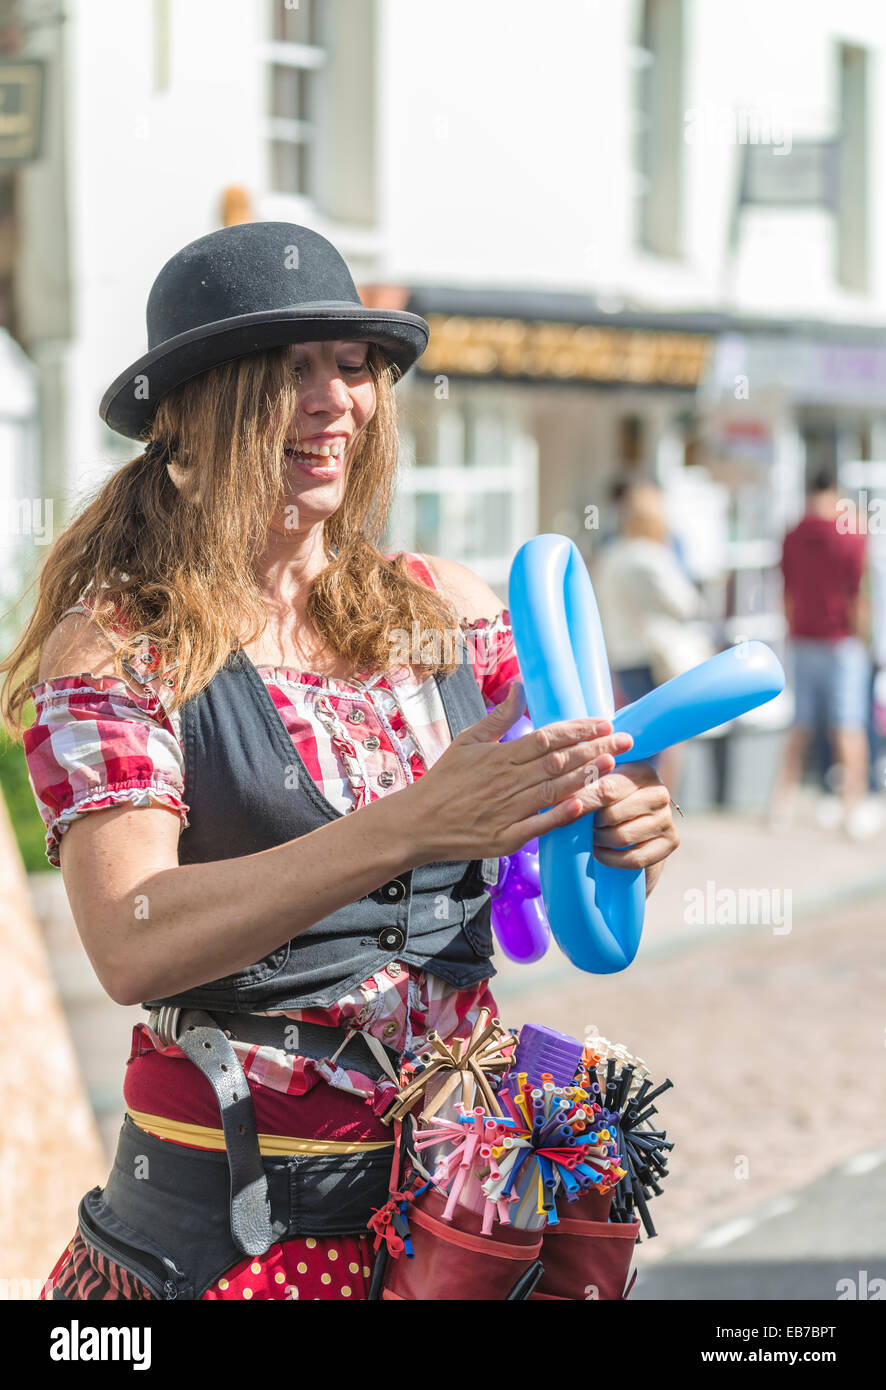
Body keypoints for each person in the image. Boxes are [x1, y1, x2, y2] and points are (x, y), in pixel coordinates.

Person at [0, 221, 680, 1302]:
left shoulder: (448, 607)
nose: (333, 401)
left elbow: (566, 836)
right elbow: (131, 942)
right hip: (240, 1236)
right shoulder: (125, 641)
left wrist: (622, 830)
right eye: (288, 370)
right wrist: (410, 823)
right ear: (195, 409)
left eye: (351, 366)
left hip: (460, 1215)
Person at [770, 470, 877, 840]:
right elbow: (858, 592)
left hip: (802, 637)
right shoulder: (850, 535)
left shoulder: (793, 534)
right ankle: (853, 808)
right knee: (848, 726)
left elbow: (787, 592)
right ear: (835, 494)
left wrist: (791, 630)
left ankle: (780, 805)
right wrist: (865, 640)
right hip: (841, 639)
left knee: (800, 726)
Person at [592, 482, 713, 796]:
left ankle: (628, 799)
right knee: (666, 738)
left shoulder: (611, 554)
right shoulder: (651, 556)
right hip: (657, 656)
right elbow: (688, 603)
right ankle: (657, 801)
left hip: (622, 654)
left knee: (633, 736)